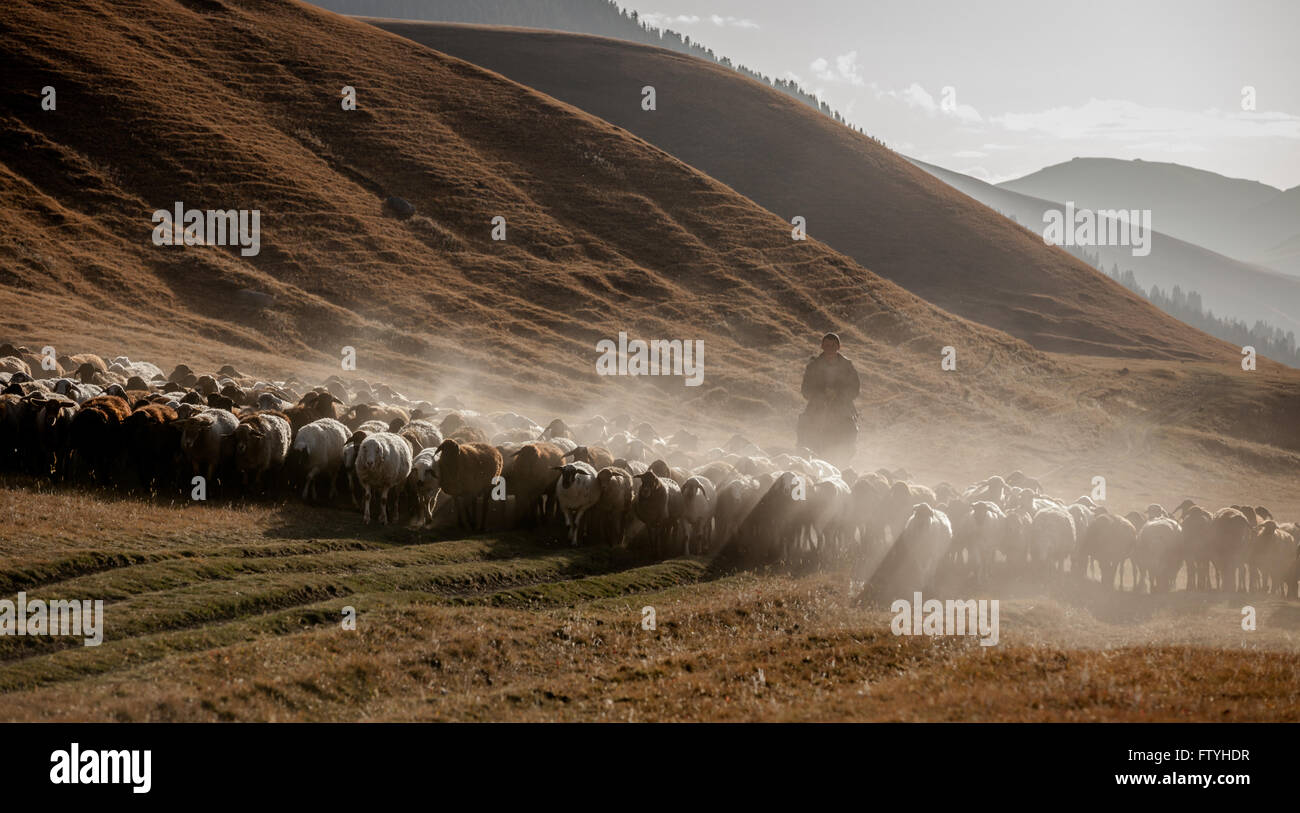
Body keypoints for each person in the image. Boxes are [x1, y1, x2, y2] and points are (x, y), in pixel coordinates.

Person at [797, 332, 860, 466]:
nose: (830, 348)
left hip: (841, 404)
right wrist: (821, 394)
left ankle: (846, 455)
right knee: (805, 424)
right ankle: (804, 453)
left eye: (833, 345)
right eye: (826, 345)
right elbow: (805, 389)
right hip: (818, 403)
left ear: (838, 346)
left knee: (850, 428)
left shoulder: (847, 365)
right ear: (822, 346)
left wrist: (838, 394)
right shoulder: (813, 365)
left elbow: (855, 388)